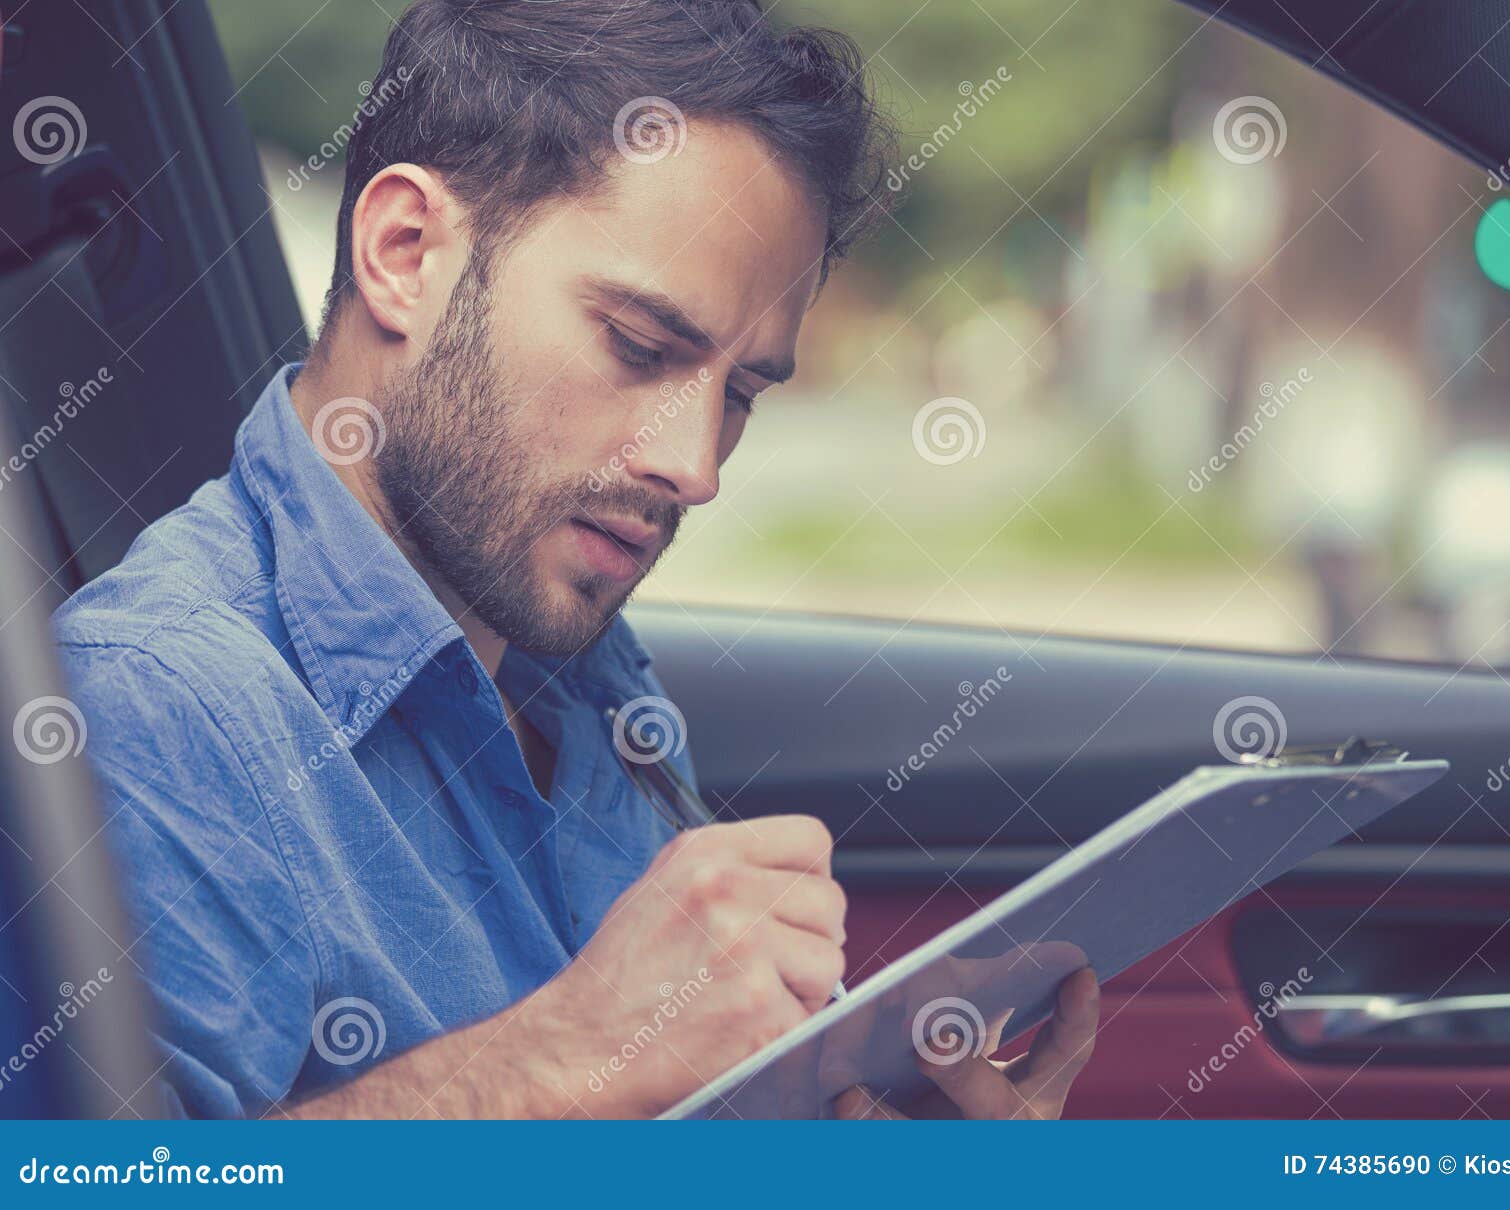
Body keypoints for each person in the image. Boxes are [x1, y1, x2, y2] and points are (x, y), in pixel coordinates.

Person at [53, 0, 1098, 1119]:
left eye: (741, 393)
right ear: (405, 254)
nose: (695, 467)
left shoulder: (566, 652)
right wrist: (561, 1056)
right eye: (640, 347)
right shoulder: (152, 709)